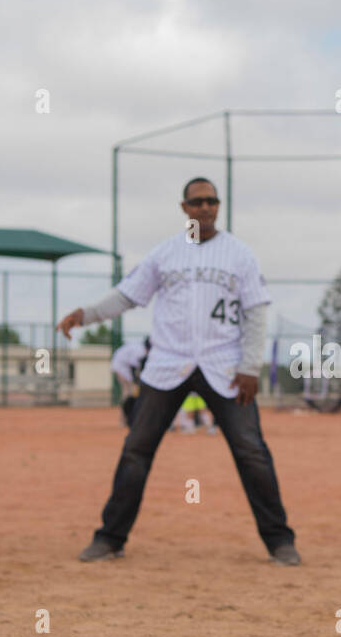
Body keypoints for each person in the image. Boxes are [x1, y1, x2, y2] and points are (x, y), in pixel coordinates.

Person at [57, 177, 299, 566]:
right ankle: (110, 538)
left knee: (252, 452)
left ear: (219, 207)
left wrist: (251, 366)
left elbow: (255, 312)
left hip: (225, 367)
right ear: (184, 208)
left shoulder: (240, 255)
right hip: (168, 364)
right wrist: (86, 314)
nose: (205, 207)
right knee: (136, 451)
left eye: (212, 201)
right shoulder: (164, 254)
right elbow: (127, 295)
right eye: (197, 201)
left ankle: (280, 541)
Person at [110, 334, 150, 427]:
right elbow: (133, 367)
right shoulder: (140, 351)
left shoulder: (140, 349)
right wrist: (136, 381)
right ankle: (124, 419)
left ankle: (126, 419)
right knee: (128, 392)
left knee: (129, 391)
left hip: (121, 366)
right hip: (121, 367)